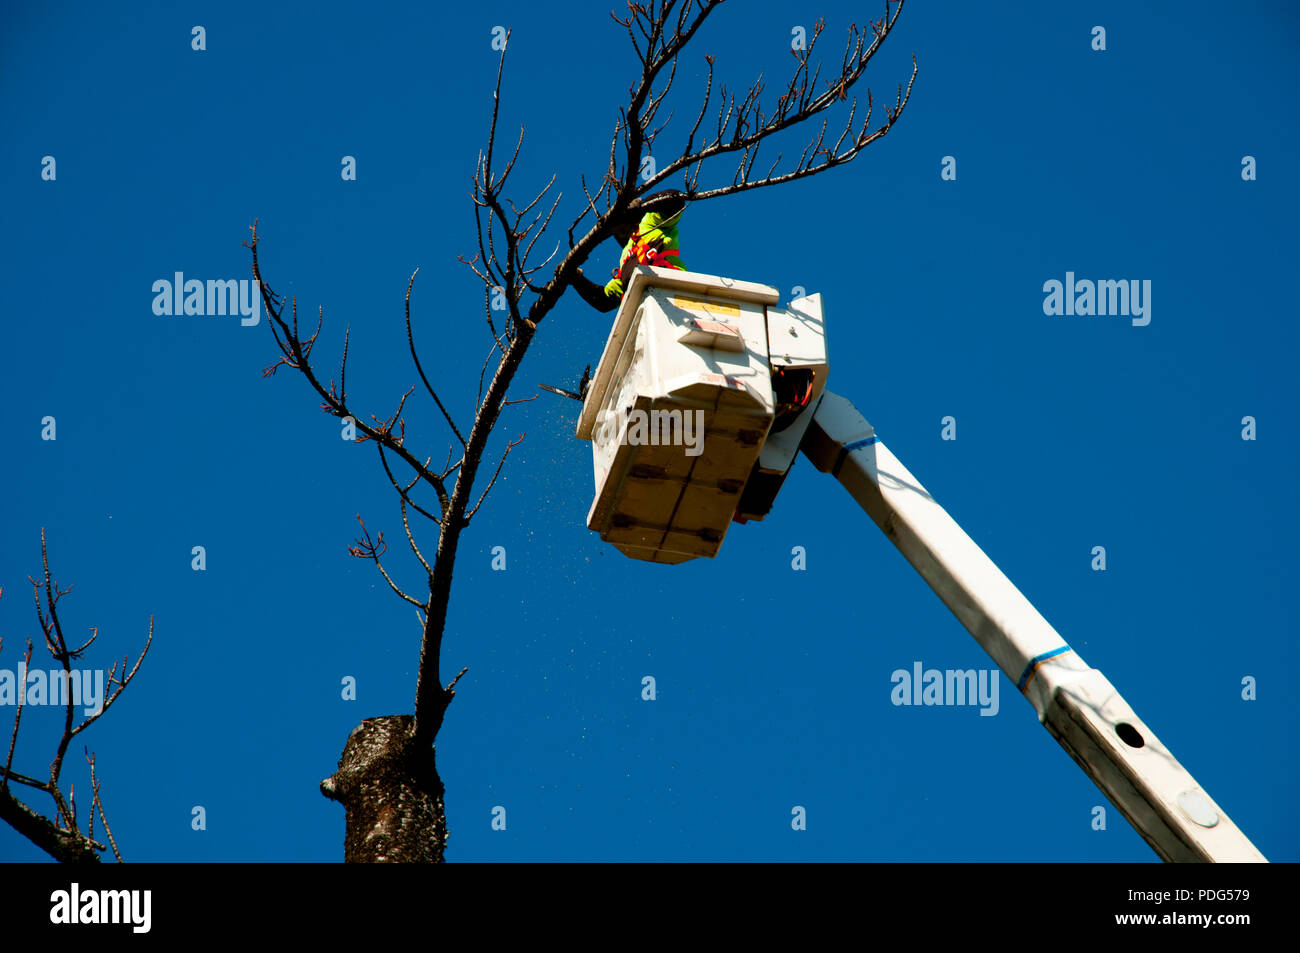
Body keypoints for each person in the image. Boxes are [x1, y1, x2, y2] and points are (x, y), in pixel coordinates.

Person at [572, 190, 688, 314]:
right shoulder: (626, 258)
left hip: (676, 286)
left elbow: (676, 198)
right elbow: (604, 301)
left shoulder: (650, 222)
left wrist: (642, 206)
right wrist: (576, 279)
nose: (619, 232)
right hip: (653, 301)